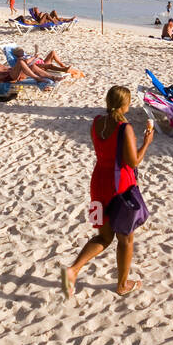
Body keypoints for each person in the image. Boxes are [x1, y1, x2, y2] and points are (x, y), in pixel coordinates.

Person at [62, 86, 153, 299]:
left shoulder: (96, 123)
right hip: (119, 185)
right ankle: (122, 285)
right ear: (124, 104)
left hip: (98, 182)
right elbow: (133, 161)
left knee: (103, 235)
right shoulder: (125, 127)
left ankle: (73, 270)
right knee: (125, 238)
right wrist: (147, 143)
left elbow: (102, 150)